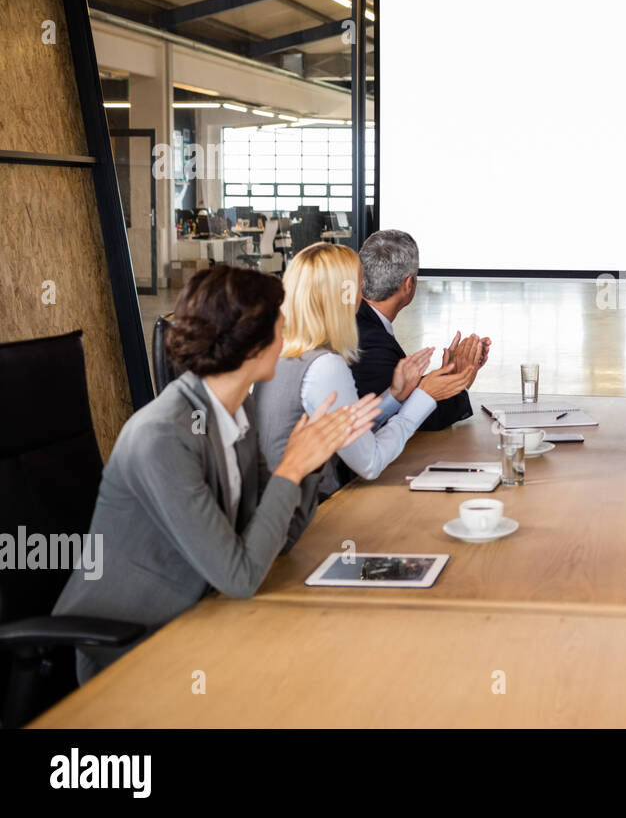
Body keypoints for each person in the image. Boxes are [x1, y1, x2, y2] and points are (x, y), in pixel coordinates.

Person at [53, 265, 381, 682]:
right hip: (133, 649)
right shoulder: (162, 437)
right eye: (281, 327)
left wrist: (312, 461)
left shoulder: (233, 409)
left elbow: (278, 542)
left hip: (207, 615)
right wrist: (291, 467)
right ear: (251, 347)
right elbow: (241, 577)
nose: (287, 338)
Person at [251, 242, 480, 503]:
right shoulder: (325, 366)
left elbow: (343, 430)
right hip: (311, 515)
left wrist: (395, 395)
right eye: (359, 287)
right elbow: (370, 461)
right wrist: (423, 396)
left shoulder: (283, 352)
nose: (362, 298)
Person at [349, 229, 490, 429]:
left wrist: (446, 376)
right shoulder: (372, 342)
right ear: (409, 284)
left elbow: (392, 390)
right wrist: (459, 381)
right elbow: (414, 418)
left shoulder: (360, 319)